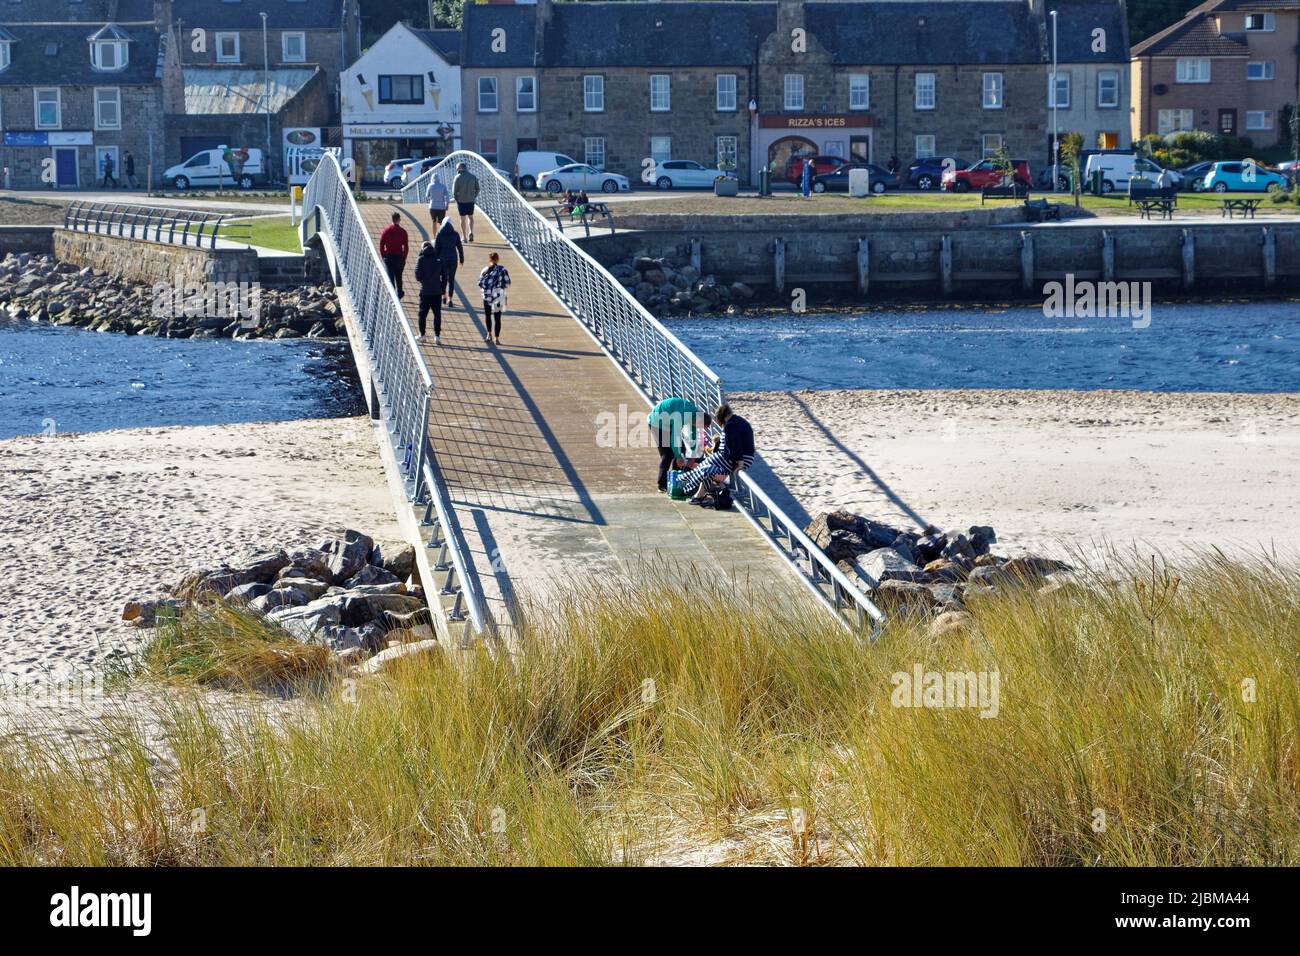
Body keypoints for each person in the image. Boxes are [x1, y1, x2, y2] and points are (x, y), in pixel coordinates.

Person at [681, 403, 754, 509]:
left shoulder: (731, 425)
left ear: (720, 418)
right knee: (706, 466)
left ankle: (692, 487)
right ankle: (697, 496)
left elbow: (736, 444)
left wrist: (740, 462)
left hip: (739, 459)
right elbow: (732, 445)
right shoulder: (736, 421)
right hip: (732, 457)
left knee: (706, 468)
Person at [646, 397, 710, 493]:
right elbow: (674, 438)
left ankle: (677, 480)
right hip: (657, 422)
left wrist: (692, 456)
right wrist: (678, 456)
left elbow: (693, 437)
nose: (700, 428)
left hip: (670, 421)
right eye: (701, 426)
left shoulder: (695, 418)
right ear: (699, 420)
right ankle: (662, 484)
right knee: (668, 455)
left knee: (682, 451)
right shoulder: (683, 415)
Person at [477, 251, 511, 345]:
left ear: (489, 260)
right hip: (499, 295)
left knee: (487, 316)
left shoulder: (485, 269)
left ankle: (489, 334)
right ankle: (497, 338)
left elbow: (480, 283)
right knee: (497, 318)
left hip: (487, 295)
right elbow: (507, 282)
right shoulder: (503, 269)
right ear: (498, 259)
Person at [413, 240, 444, 343]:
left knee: (422, 315)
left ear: (422, 249)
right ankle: (437, 336)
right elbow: (444, 276)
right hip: (437, 291)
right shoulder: (438, 259)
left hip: (425, 291)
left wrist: (424, 281)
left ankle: (422, 335)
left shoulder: (421, 259)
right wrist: (442, 288)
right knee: (437, 314)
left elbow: (417, 276)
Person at [433, 216, 464, 307]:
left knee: (443, 278)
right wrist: (461, 259)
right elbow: (459, 248)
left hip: (442, 260)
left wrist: (435, 260)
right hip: (453, 259)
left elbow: (436, 248)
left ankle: (443, 296)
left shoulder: (439, 233)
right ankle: (450, 299)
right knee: (451, 279)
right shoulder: (455, 234)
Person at [379, 211, 409, 299]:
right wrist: (404, 257)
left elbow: (381, 244)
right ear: (399, 220)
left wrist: (383, 256)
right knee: (399, 276)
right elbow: (406, 246)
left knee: (390, 276)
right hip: (399, 257)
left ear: (392, 219)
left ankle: (392, 295)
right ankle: (400, 292)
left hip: (389, 257)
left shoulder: (386, 230)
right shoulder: (403, 232)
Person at [452, 161, 480, 242]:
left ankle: (464, 237)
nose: (457, 171)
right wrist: (473, 196)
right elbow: (477, 189)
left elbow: (454, 192)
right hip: (471, 201)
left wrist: (457, 200)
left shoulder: (457, 177)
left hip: (461, 201)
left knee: (462, 219)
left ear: (460, 168)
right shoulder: (473, 177)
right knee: (471, 217)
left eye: (457, 169)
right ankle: (471, 232)